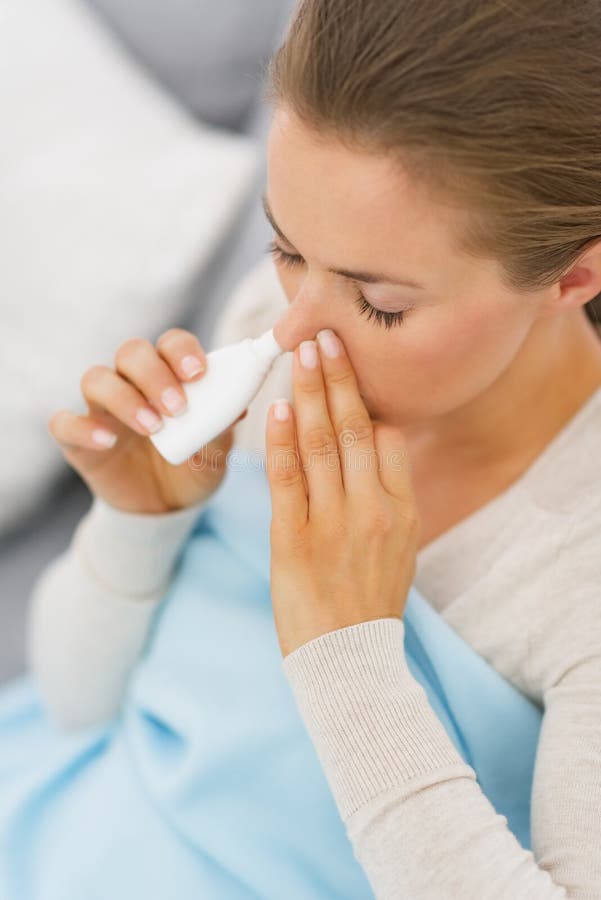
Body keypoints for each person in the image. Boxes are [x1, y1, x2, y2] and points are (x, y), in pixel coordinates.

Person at [7, 0, 601, 897]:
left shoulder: (572, 568)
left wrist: (343, 644)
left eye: (382, 305)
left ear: (571, 277)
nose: (292, 329)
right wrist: (137, 523)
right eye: (285, 246)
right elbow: (74, 703)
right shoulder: (271, 330)